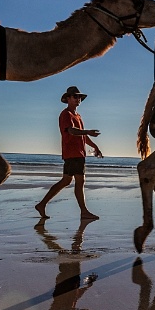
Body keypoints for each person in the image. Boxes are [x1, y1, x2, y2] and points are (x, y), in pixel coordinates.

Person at [35, 86, 103, 221]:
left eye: (79, 97)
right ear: (68, 98)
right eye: (75, 96)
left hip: (77, 153)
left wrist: (95, 146)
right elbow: (71, 131)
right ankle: (84, 211)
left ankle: (42, 204)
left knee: (66, 181)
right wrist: (87, 132)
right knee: (80, 180)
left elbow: (82, 135)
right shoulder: (66, 114)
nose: (78, 99)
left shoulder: (78, 116)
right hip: (72, 153)